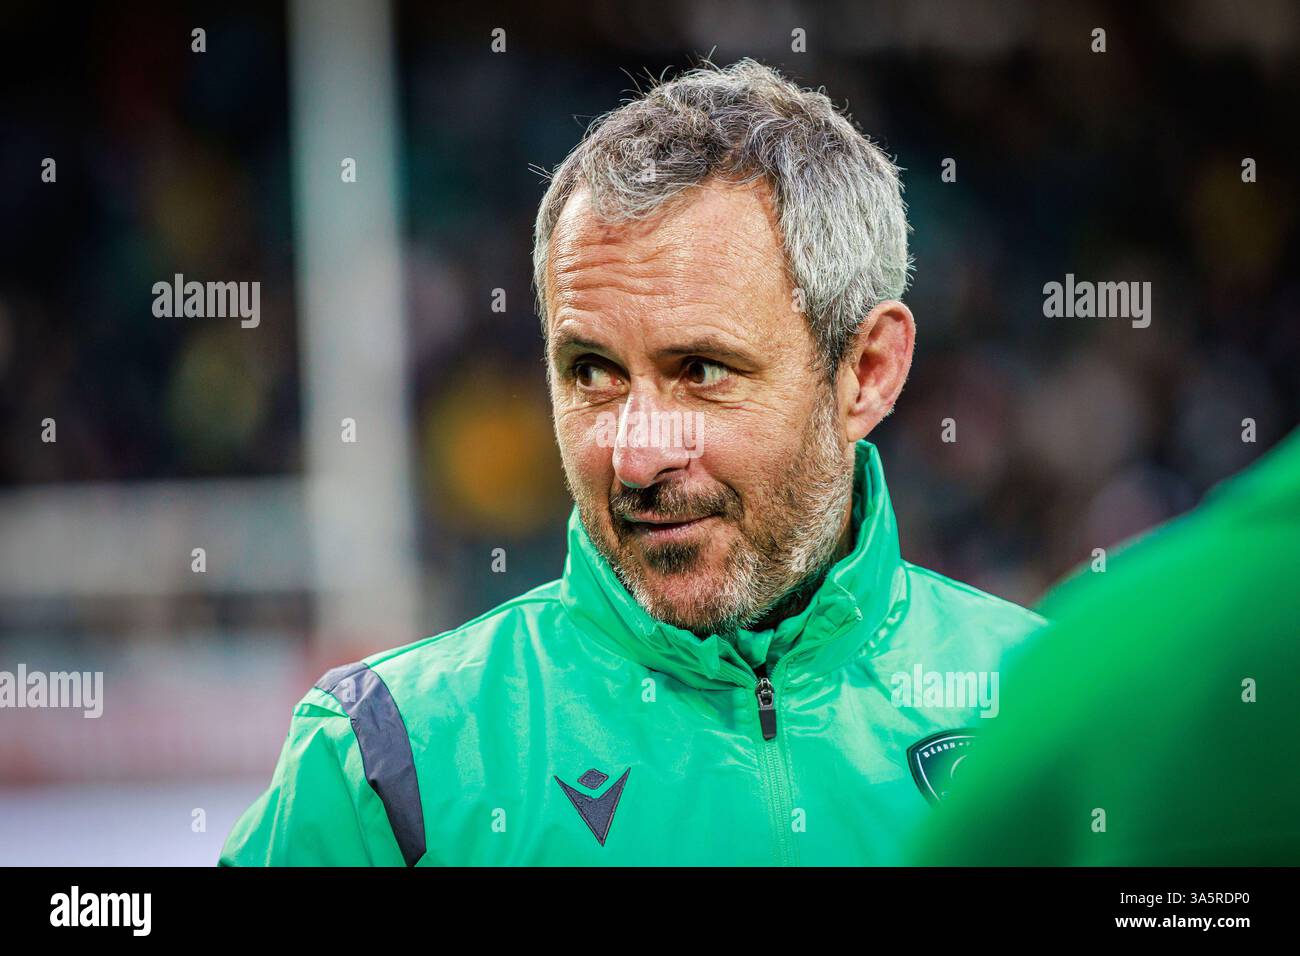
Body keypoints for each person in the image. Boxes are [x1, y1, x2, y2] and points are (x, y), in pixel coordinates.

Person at [220, 58, 1043, 866]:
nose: (638, 453)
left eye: (703, 371)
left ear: (866, 372)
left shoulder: (1058, 709)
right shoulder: (385, 767)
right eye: (592, 373)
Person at [911, 427, 1300, 866]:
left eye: (1141, 537)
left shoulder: (1068, 655)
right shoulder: (1032, 645)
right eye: (1110, 542)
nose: (1123, 554)